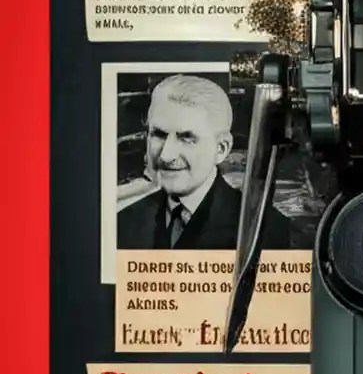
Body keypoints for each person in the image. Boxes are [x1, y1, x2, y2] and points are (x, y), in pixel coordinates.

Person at [116, 74, 292, 251]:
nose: (166, 155)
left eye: (186, 138)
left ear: (221, 148)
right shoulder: (123, 223)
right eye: (158, 135)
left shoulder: (267, 232)